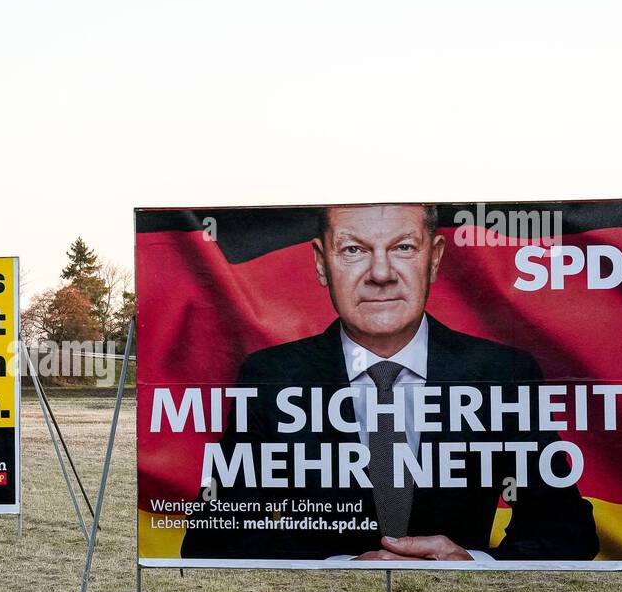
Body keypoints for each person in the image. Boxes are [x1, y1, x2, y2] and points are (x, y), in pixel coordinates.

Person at [181, 203, 599, 562]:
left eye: (402, 247)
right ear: (320, 262)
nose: (381, 272)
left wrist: (475, 563)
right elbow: (212, 537)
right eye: (353, 250)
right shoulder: (270, 377)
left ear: (433, 259)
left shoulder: (502, 374)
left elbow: (569, 531)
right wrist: (337, 566)